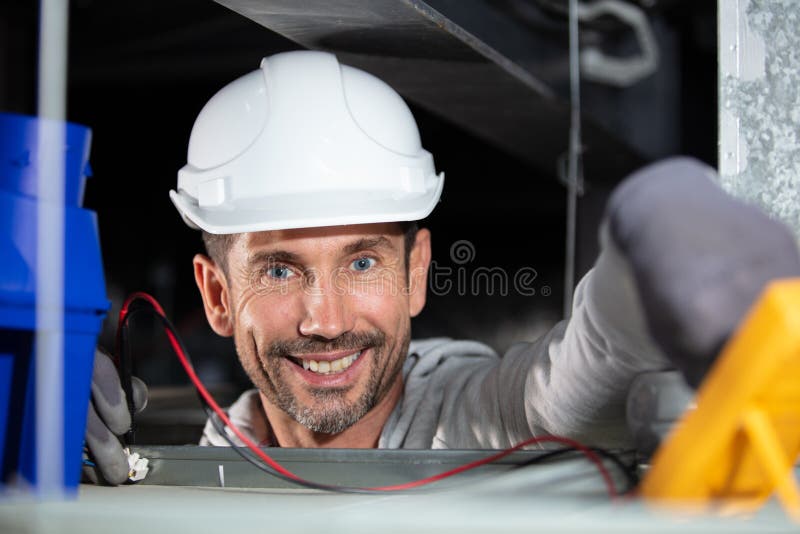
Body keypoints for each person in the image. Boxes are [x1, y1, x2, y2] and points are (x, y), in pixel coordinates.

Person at [84, 50, 800, 484]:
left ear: (417, 271)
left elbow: (590, 360)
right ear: (215, 294)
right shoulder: (207, 457)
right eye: (279, 271)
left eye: (362, 260)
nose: (325, 320)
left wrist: (658, 228)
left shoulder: (483, 420)